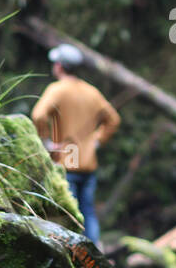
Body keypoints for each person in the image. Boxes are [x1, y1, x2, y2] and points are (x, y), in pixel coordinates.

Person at [31, 44, 120, 245]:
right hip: (88, 161)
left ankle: (72, 256)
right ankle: (95, 254)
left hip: (66, 160)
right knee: (88, 211)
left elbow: (38, 115)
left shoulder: (57, 90)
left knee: (68, 213)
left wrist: (45, 142)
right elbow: (113, 119)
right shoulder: (92, 92)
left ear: (60, 66)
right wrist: (97, 140)